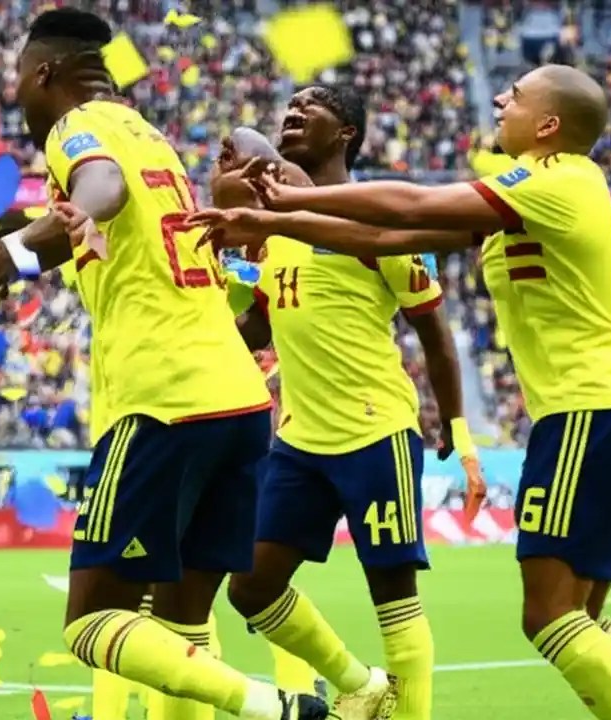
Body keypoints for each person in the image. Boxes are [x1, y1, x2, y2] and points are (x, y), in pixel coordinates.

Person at [187, 64, 611, 720]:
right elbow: (389, 235)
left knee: (549, 617)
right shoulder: (538, 192)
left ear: (548, 125)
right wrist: (280, 216)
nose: (500, 99)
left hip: (591, 410)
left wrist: (284, 205)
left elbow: (413, 211)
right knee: (582, 617)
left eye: (516, 95)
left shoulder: (554, 180)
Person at [0, 8, 325, 720]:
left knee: (91, 623)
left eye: (20, 78)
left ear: (45, 73)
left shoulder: (76, 128)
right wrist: (39, 246)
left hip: (163, 401)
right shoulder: (149, 135)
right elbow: (116, 216)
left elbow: (102, 187)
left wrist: (12, 251)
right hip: (238, 404)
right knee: (181, 626)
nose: (17, 93)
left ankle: (274, 707)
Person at [206, 85, 483, 720]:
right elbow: (261, 325)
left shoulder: (376, 227)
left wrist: (459, 432)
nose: (294, 110)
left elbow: (435, 335)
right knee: (250, 588)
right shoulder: (275, 231)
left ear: (346, 133)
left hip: (374, 433)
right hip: (299, 442)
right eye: (291, 105)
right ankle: (360, 684)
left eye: (314, 105)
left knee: (394, 599)